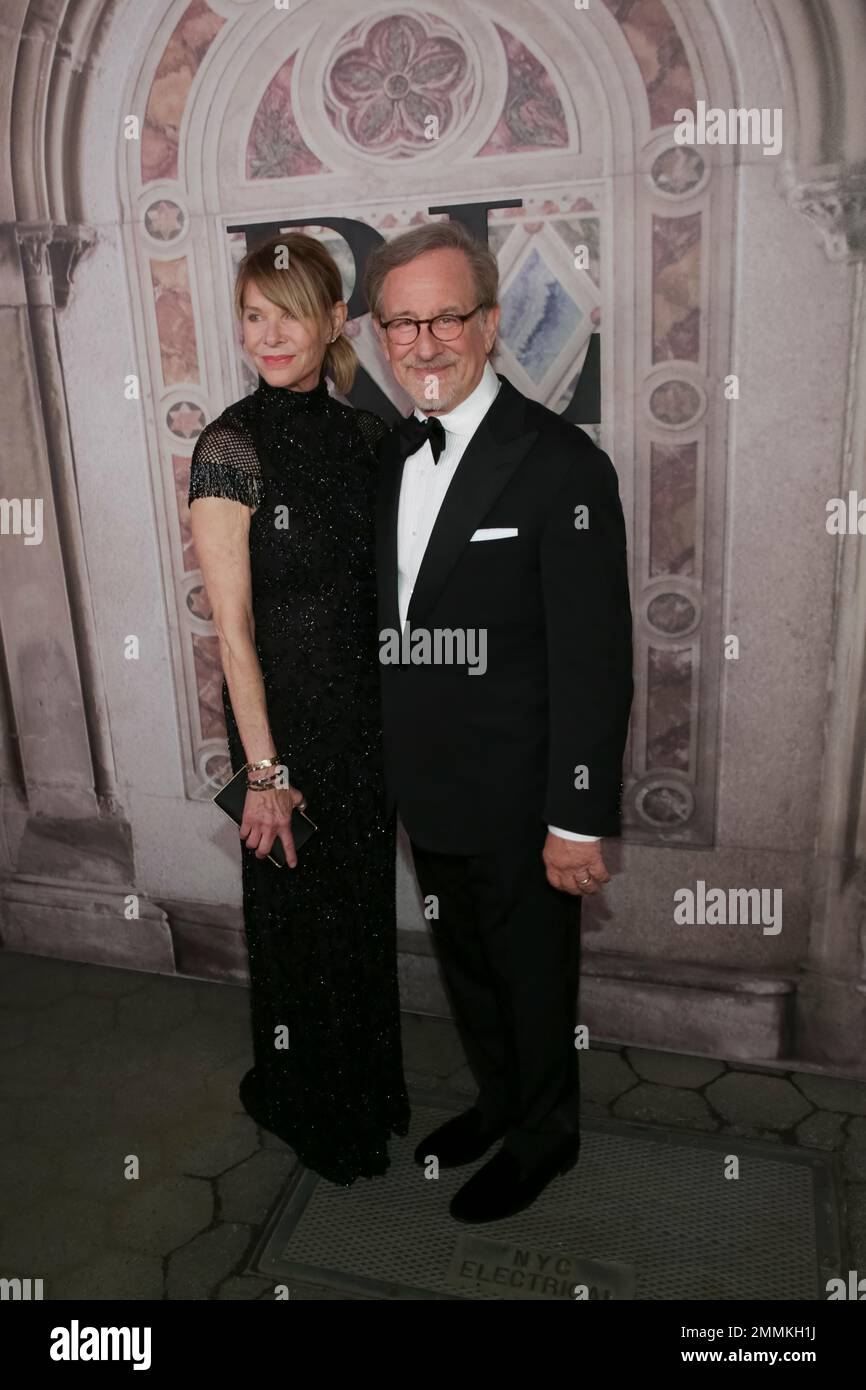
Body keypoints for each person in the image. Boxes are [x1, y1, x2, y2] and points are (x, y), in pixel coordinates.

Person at [365, 221, 633, 1222]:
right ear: (379, 334)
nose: (423, 342)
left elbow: (593, 655)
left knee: (529, 979)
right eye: (402, 322)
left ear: (486, 324)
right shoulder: (391, 457)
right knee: (468, 967)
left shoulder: (559, 466)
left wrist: (576, 815)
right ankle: (496, 1100)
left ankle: (544, 1136)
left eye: (445, 317)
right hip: (426, 784)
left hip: (524, 796)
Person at [188, 232, 409, 1185]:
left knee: (358, 919)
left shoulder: (370, 438)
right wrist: (266, 774)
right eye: (252, 313)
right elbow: (232, 631)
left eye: (289, 312)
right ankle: (311, 1106)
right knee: (298, 924)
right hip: (285, 735)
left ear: (334, 321)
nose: (269, 334)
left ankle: (366, 1089)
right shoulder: (228, 446)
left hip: (367, 727)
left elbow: (393, 595)